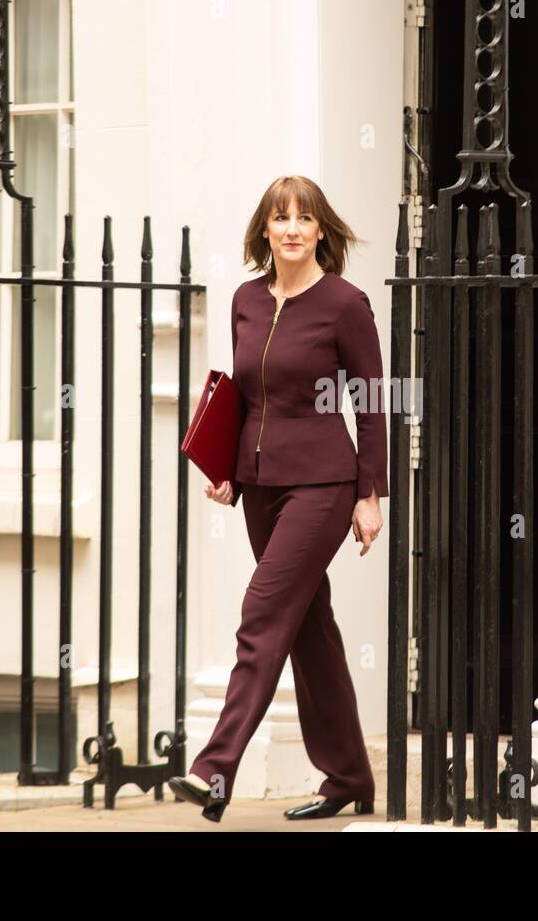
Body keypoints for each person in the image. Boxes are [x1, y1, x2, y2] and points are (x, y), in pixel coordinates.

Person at [167, 175, 389, 823]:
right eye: (279, 217)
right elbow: (243, 394)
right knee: (308, 629)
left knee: (262, 613)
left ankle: (213, 770)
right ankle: (350, 776)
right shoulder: (245, 300)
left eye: (304, 218)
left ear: (322, 230)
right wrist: (229, 472)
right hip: (260, 489)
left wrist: (368, 493)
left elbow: (371, 403)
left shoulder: (345, 304)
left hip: (322, 485)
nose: (292, 228)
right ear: (264, 230)